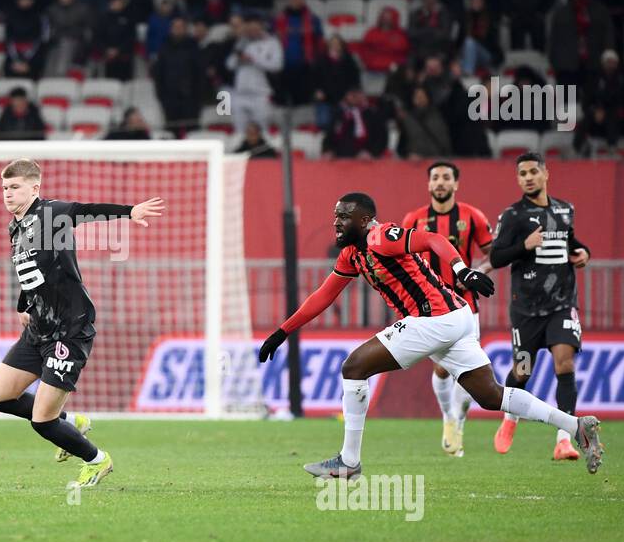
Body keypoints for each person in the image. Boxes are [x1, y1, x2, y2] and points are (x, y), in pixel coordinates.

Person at [255, 192, 603, 478]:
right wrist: (283, 332)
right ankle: (576, 426)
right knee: (490, 395)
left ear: (364, 220)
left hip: (433, 319)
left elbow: (434, 239)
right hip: (454, 318)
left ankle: (349, 461)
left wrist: (462, 271)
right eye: (335, 215)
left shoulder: (381, 236)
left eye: (344, 216)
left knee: (353, 367)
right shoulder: (352, 254)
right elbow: (323, 295)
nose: (336, 222)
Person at [0, 159, 164, 488]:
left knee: (42, 421)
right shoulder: (15, 227)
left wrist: (130, 212)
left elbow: (85, 210)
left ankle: (97, 460)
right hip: (38, 328)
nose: (8, 193)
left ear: (34, 188)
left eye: (15, 187)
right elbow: (31, 273)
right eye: (5, 188)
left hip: (68, 329)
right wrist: (23, 305)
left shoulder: (49, 213)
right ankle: (72, 421)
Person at [489, 153, 592, 461]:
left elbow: (570, 242)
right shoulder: (513, 215)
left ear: (546, 173)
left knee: (565, 363)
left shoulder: (565, 209)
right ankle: (510, 418)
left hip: (562, 304)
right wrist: (524, 246)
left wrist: (583, 252)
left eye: (533, 171)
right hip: (526, 309)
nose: (528, 177)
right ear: (518, 179)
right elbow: (496, 257)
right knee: (522, 372)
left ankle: (564, 439)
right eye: (523, 174)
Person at [401, 162, 494, 456]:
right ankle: (448, 417)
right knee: (442, 369)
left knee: (469, 372)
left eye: (446, 178)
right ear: (429, 185)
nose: (440, 182)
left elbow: (493, 253)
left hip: (466, 303)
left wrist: (478, 271)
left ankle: (458, 424)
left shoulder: (472, 216)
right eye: (435, 178)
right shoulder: (414, 219)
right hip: (432, 306)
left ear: (456, 184)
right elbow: (402, 257)